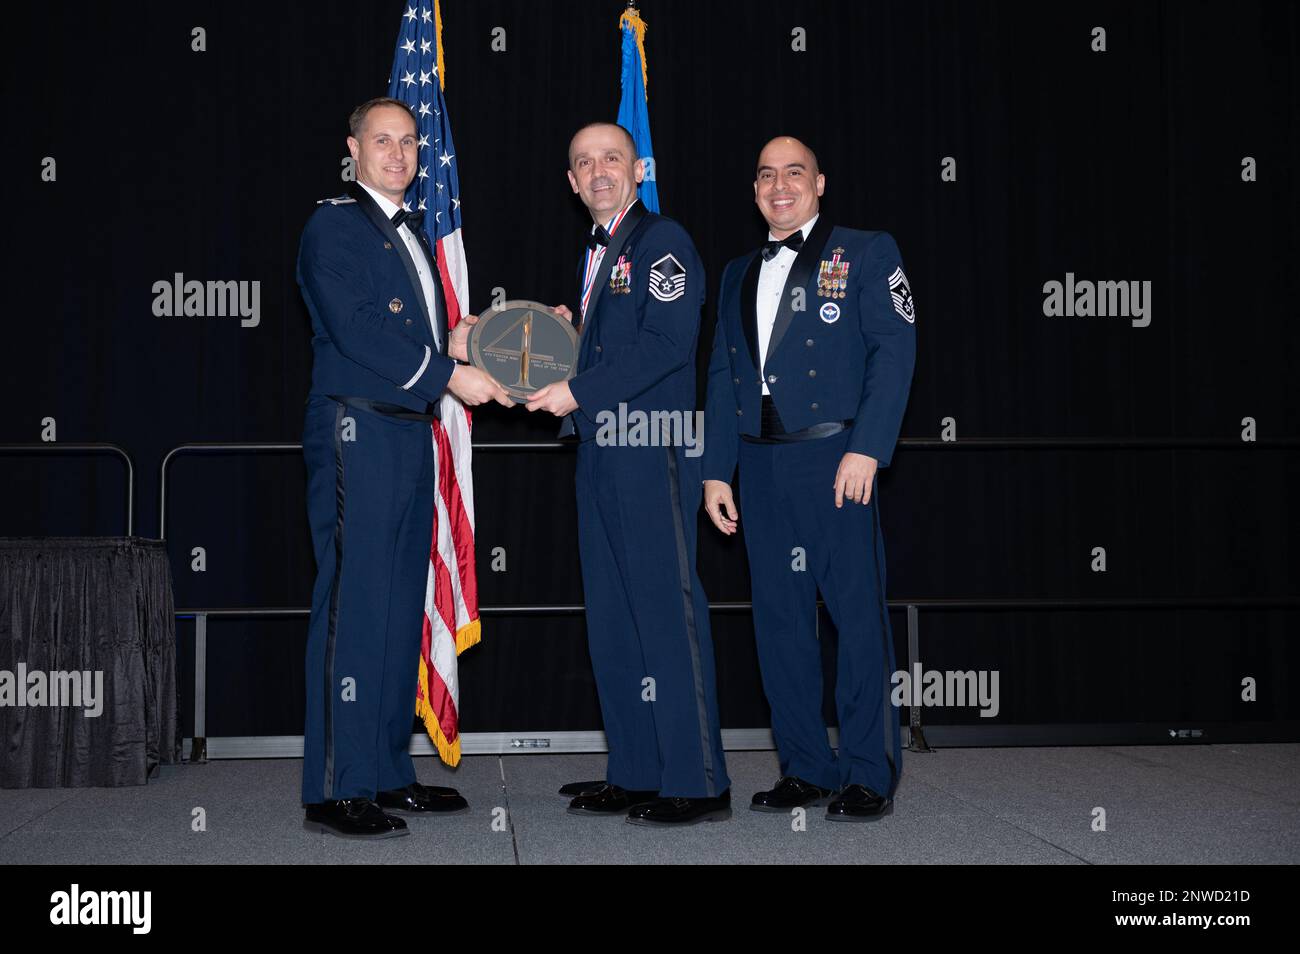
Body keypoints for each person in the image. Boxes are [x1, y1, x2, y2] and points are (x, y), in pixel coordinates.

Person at [297, 97, 511, 839]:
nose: (398, 152)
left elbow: (413, 334)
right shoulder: (334, 224)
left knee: (394, 609)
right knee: (354, 607)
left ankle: (385, 768)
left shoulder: (409, 232)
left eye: (409, 141)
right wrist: (451, 377)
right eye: (381, 140)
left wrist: (471, 341)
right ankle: (335, 786)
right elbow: (356, 331)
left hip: (406, 433)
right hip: (356, 428)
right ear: (352, 148)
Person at [701, 136, 916, 821]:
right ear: (756, 189)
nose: (780, 185)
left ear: (819, 183)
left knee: (855, 619)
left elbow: (895, 348)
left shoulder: (867, 250)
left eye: (794, 173)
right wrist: (715, 470)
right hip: (759, 464)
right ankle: (805, 766)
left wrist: (869, 449)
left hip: (835, 460)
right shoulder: (737, 270)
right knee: (779, 623)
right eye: (766, 175)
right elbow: (719, 376)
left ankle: (866, 774)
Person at [526, 122, 730, 825]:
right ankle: (638, 769)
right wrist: (573, 343)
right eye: (584, 162)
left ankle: (697, 778)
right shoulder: (603, 252)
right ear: (572, 182)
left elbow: (668, 347)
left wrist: (577, 389)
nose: (599, 171)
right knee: (614, 618)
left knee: (666, 615)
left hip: (651, 446)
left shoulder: (661, 240)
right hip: (600, 450)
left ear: (637, 168)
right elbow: (618, 343)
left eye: (611, 158)